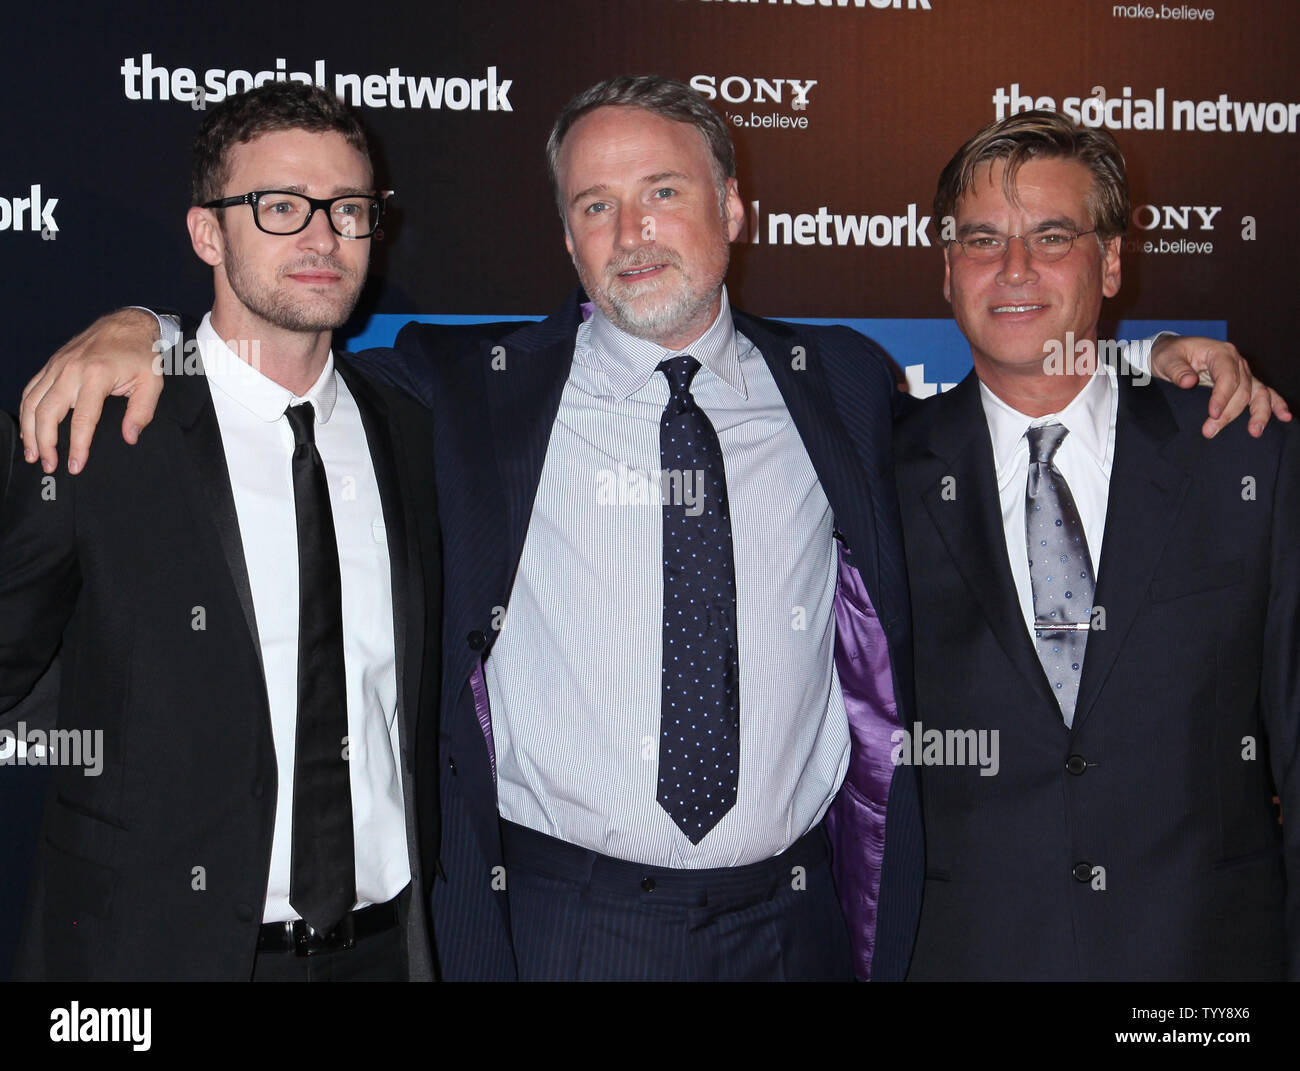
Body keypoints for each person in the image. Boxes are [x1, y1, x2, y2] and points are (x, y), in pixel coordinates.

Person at [13, 77, 1287, 983]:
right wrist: (146, 330)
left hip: (795, 922)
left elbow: (1022, 401)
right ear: (565, 236)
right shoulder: (462, 391)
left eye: (664, 193)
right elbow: (275, 357)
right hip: (560, 922)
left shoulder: (842, 384)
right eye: (594, 206)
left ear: (733, 209)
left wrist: (1148, 355)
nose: (631, 235)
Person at [0, 82, 441, 981]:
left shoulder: (409, 428)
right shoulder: (99, 430)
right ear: (208, 234)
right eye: (280, 207)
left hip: (385, 952)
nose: (321, 237)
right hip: (151, 953)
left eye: (348, 208)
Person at [895, 110, 1299, 980]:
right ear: (947, 267)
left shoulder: (1241, 452)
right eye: (981, 239)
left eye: (1051, 236)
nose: (1014, 268)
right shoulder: (879, 467)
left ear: (1111, 261)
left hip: (1202, 966)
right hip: (967, 955)